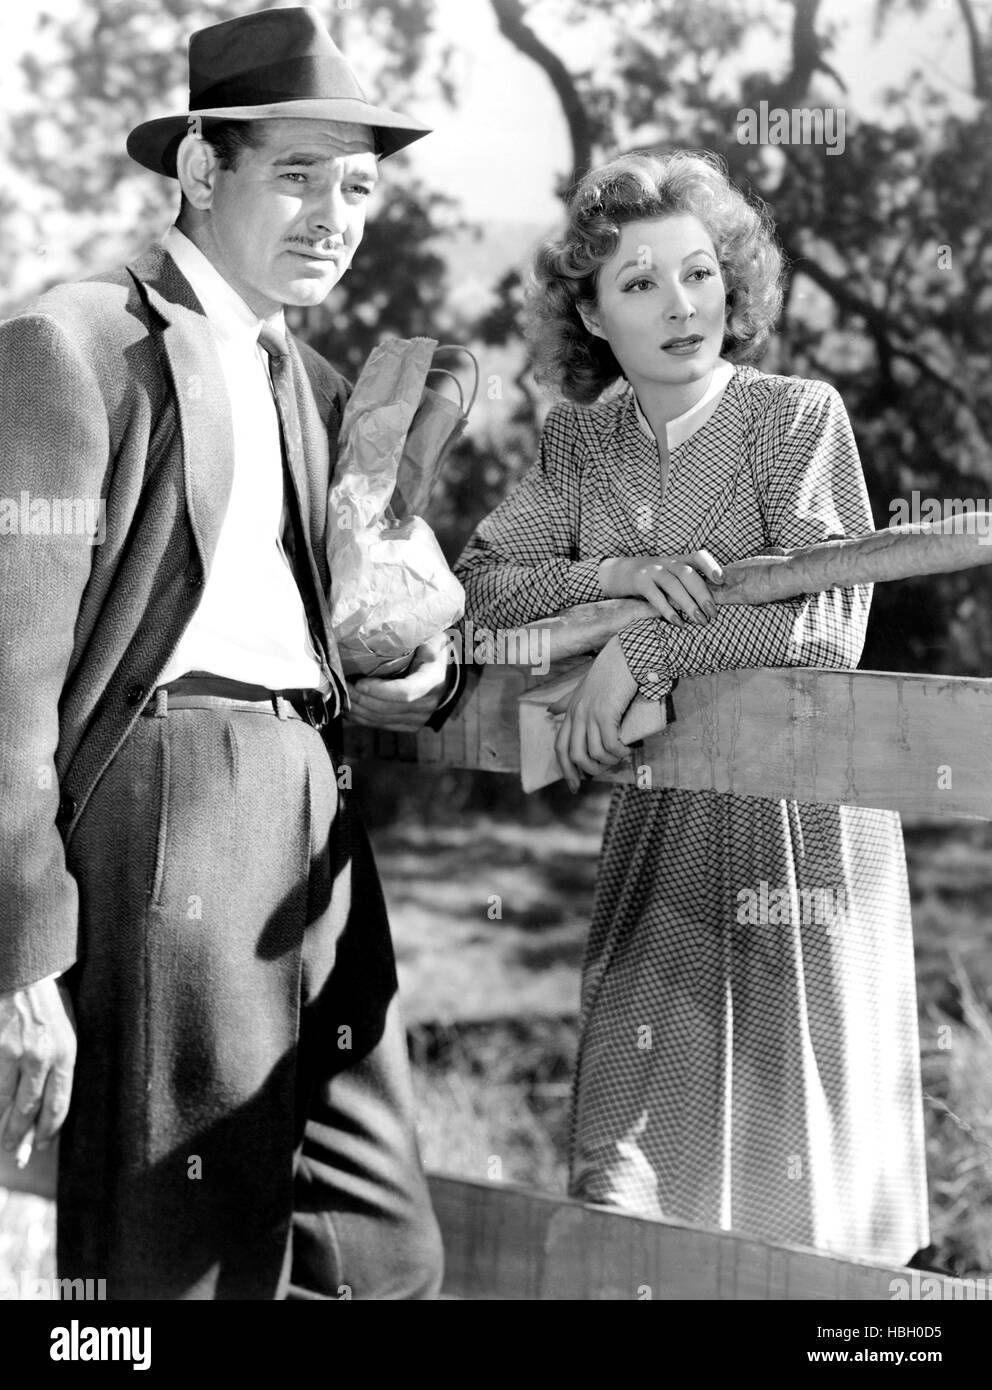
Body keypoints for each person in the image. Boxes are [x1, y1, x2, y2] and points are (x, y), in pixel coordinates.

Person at [0, 6, 458, 1299]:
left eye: (359, 184)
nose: (335, 213)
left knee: (378, 1248)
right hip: (167, 810)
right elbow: (5, 673)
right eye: (298, 174)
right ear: (203, 170)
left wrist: (409, 669)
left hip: (316, 813)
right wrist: (23, 951)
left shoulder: (303, 379)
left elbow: (319, 612)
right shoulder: (73, 344)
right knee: (173, 1263)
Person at [456, 150, 929, 1266]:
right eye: (639, 282)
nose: (680, 305)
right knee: (625, 1193)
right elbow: (481, 596)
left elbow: (825, 622)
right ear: (588, 309)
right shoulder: (577, 445)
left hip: (803, 839)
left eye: (700, 272)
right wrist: (616, 584)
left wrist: (650, 656)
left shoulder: (792, 418)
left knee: (798, 1209)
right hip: (658, 842)